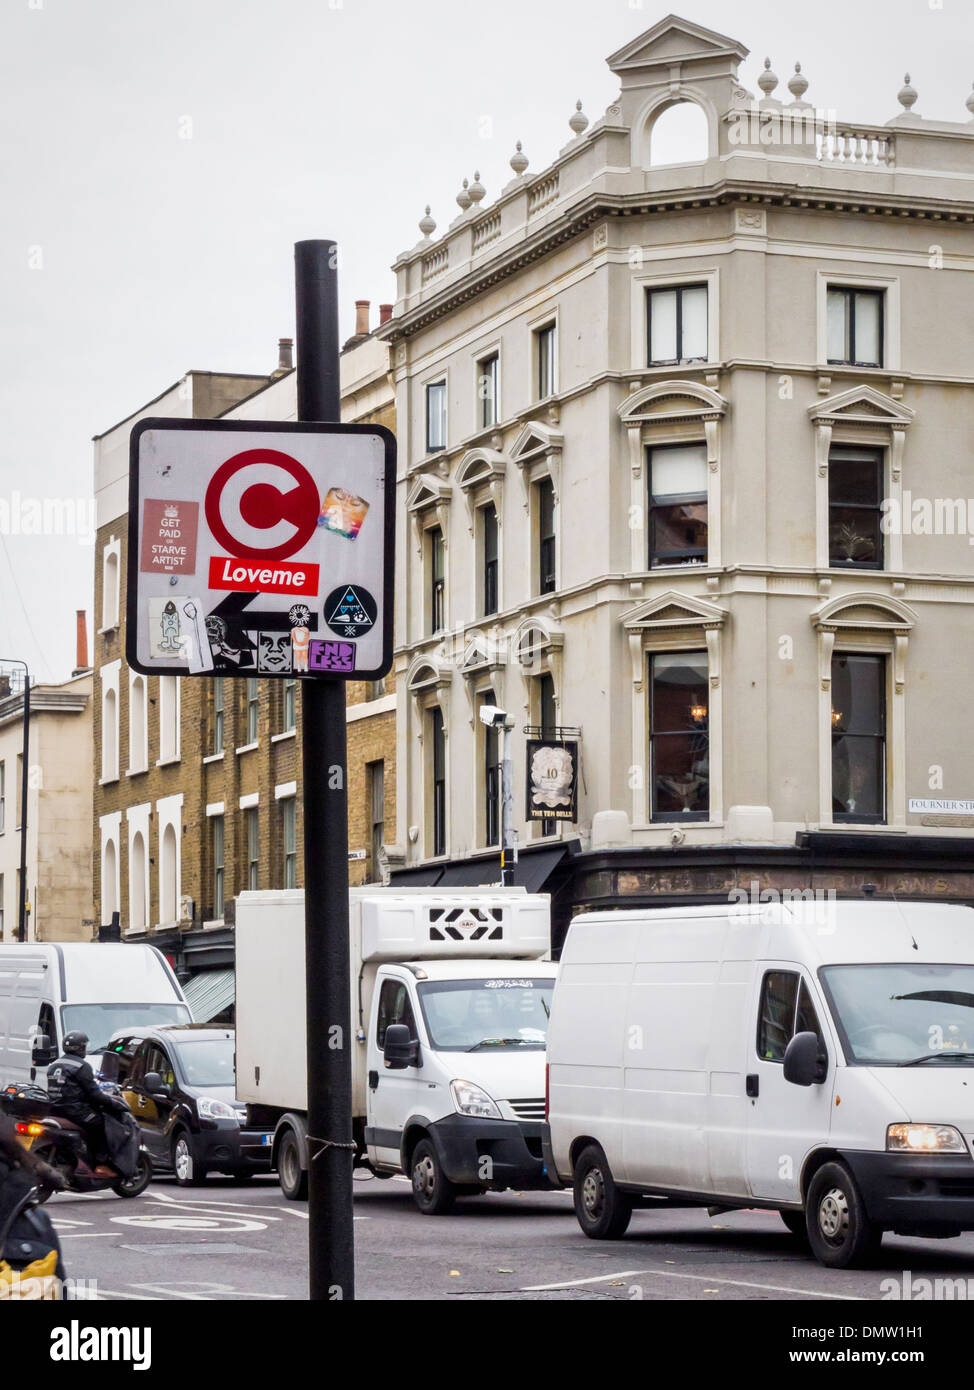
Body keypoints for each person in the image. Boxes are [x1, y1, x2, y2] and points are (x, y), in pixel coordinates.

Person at [46, 1032, 129, 1171]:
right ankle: (100, 1163)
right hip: (75, 1111)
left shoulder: (54, 1064)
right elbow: (94, 1095)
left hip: (55, 1110)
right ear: (80, 1048)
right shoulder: (82, 1066)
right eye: (84, 1046)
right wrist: (113, 1103)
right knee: (103, 1125)